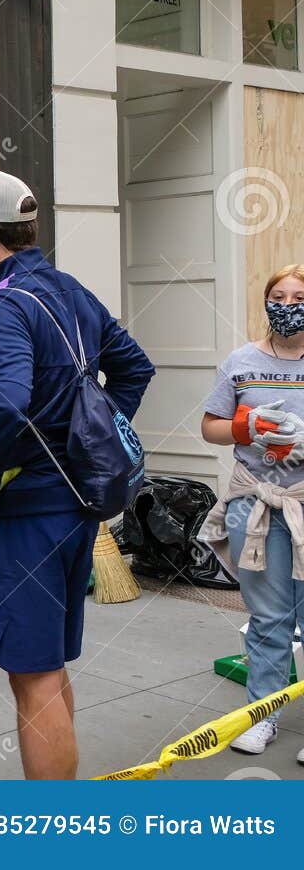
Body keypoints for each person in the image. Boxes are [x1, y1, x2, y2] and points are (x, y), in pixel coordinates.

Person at [0, 170, 154, 779]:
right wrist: (90, 441)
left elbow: (5, 400)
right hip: (77, 507)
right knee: (47, 667)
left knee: (33, 678)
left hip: (25, 510)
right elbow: (134, 368)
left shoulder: (3, 301)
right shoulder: (69, 288)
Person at [198, 265, 304, 763]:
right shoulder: (241, 362)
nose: (286, 304)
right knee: (268, 618)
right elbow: (210, 428)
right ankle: (263, 715)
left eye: (298, 296)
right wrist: (248, 428)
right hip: (255, 505)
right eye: (277, 295)